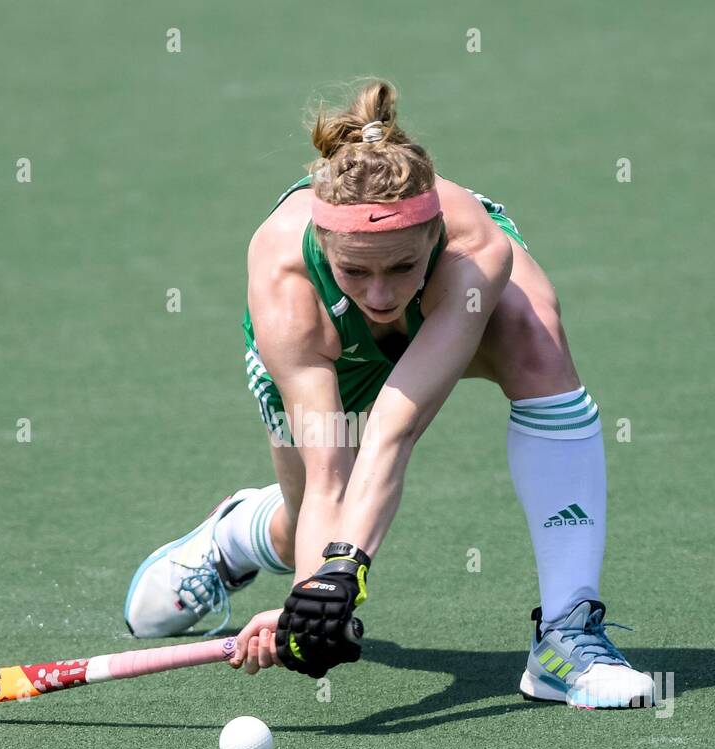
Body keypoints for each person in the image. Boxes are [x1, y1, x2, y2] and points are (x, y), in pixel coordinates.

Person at [124, 79, 654, 709]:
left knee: (533, 336)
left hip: (445, 315)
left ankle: (568, 638)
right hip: (332, 344)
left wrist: (344, 570)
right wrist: (313, 593)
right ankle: (242, 535)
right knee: (318, 507)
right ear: (324, 247)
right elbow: (331, 479)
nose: (379, 295)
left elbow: (393, 432)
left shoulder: (475, 250)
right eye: (355, 270)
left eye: (400, 267)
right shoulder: (287, 283)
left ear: (432, 238)